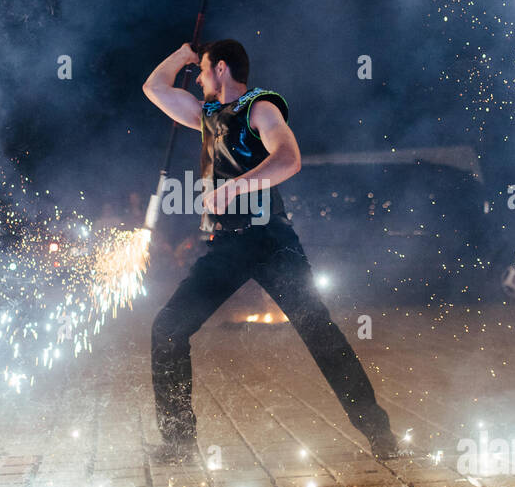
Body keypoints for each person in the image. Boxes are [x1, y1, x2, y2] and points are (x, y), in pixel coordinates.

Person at [141, 39, 407, 462]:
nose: (200, 78)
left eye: (205, 70)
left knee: (320, 333)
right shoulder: (207, 117)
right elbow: (154, 89)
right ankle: (179, 444)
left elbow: (289, 158)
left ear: (222, 69)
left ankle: (381, 436)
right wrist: (184, 54)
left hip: (270, 241)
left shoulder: (260, 108)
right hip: (226, 245)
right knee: (168, 330)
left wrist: (236, 186)